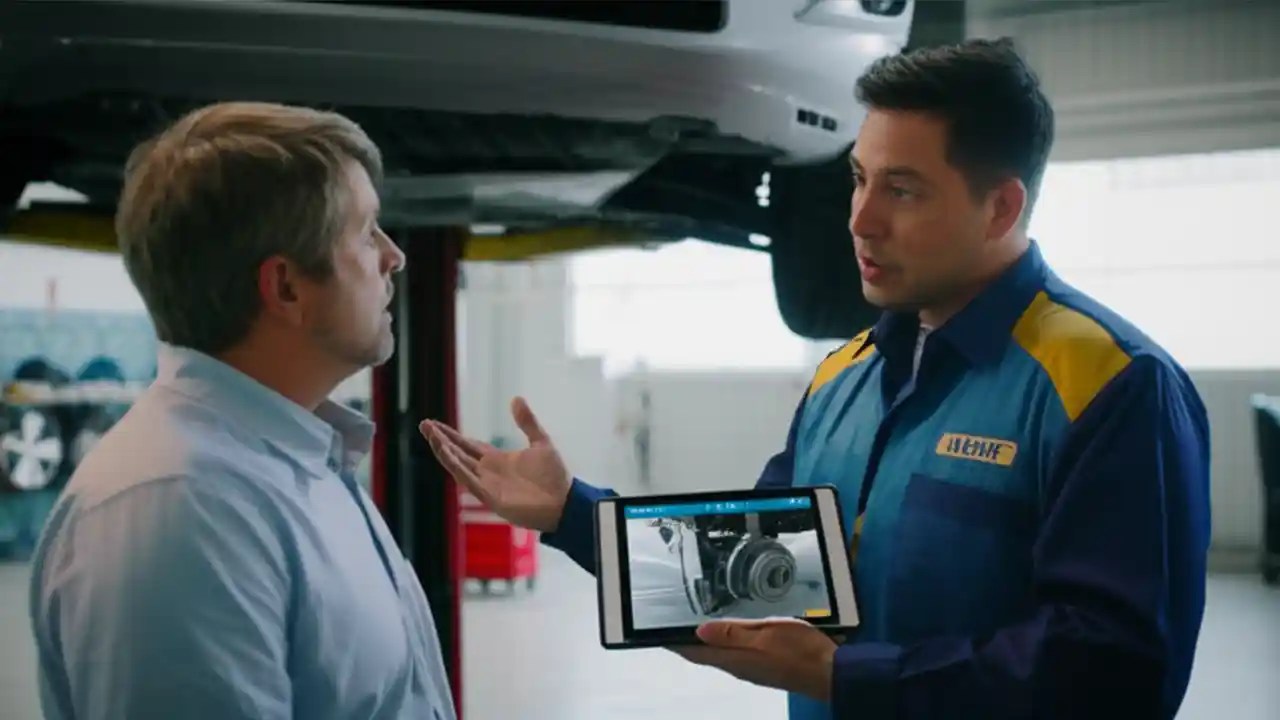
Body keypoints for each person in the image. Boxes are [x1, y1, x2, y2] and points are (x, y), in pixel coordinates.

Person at [422, 37, 1211, 720]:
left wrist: (845, 676)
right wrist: (570, 513)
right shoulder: (845, 376)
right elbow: (758, 569)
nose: (861, 220)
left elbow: (1116, 673)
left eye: (901, 189)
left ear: (1000, 208)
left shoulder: (1111, 385)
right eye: (859, 180)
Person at [28, 102, 456, 720]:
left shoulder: (296, 460)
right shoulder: (181, 511)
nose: (394, 257)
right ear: (285, 287)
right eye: (366, 232)